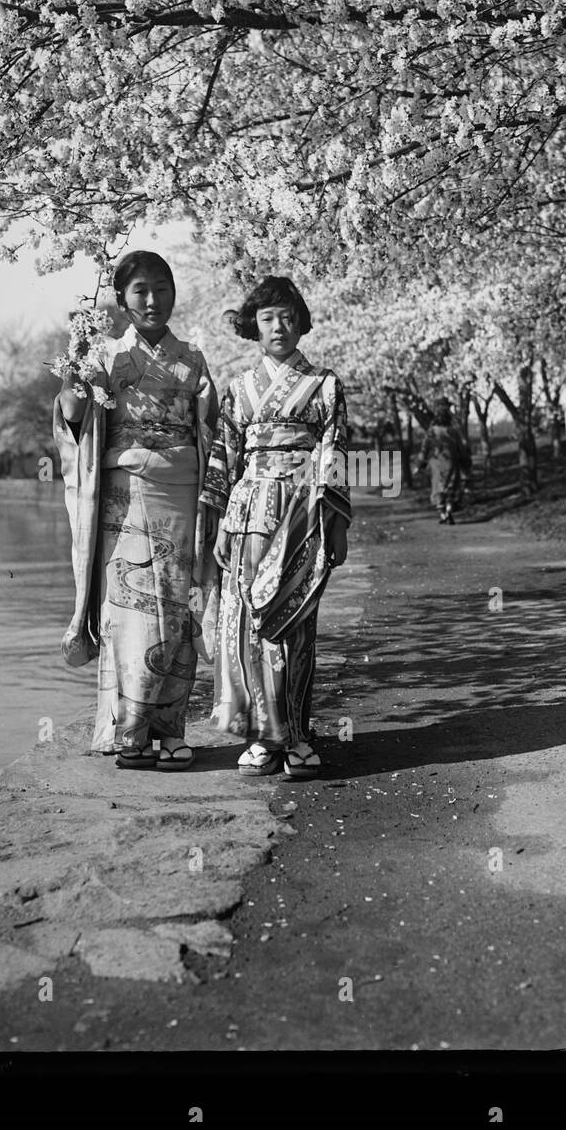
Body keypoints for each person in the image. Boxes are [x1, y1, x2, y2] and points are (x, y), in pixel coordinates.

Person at [53, 250, 219, 770]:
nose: (152, 300)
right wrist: (75, 373)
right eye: (141, 290)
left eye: (162, 288)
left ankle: (171, 729)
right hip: (123, 495)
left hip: (181, 491)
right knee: (128, 611)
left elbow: (210, 432)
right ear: (122, 300)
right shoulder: (102, 356)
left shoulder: (192, 358)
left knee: (176, 606)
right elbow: (74, 421)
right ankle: (130, 728)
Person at [201, 276, 351, 781]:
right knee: (249, 623)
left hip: (303, 510)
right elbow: (223, 457)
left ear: (300, 321)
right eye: (267, 318)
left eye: (287, 316)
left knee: (296, 621)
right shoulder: (238, 390)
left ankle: (300, 734)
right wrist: (220, 523)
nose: (279, 326)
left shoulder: (325, 384)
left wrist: (337, 525)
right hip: (249, 512)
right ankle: (264, 736)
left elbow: (334, 454)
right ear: (254, 328)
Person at [417, 398, 472, 524]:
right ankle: (449, 508)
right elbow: (461, 448)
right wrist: (465, 461)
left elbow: (425, 447)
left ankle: (443, 513)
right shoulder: (453, 432)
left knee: (438, 487)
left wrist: (421, 462)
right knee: (451, 485)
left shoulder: (432, 432)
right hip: (451, 462)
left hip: (436, 463)